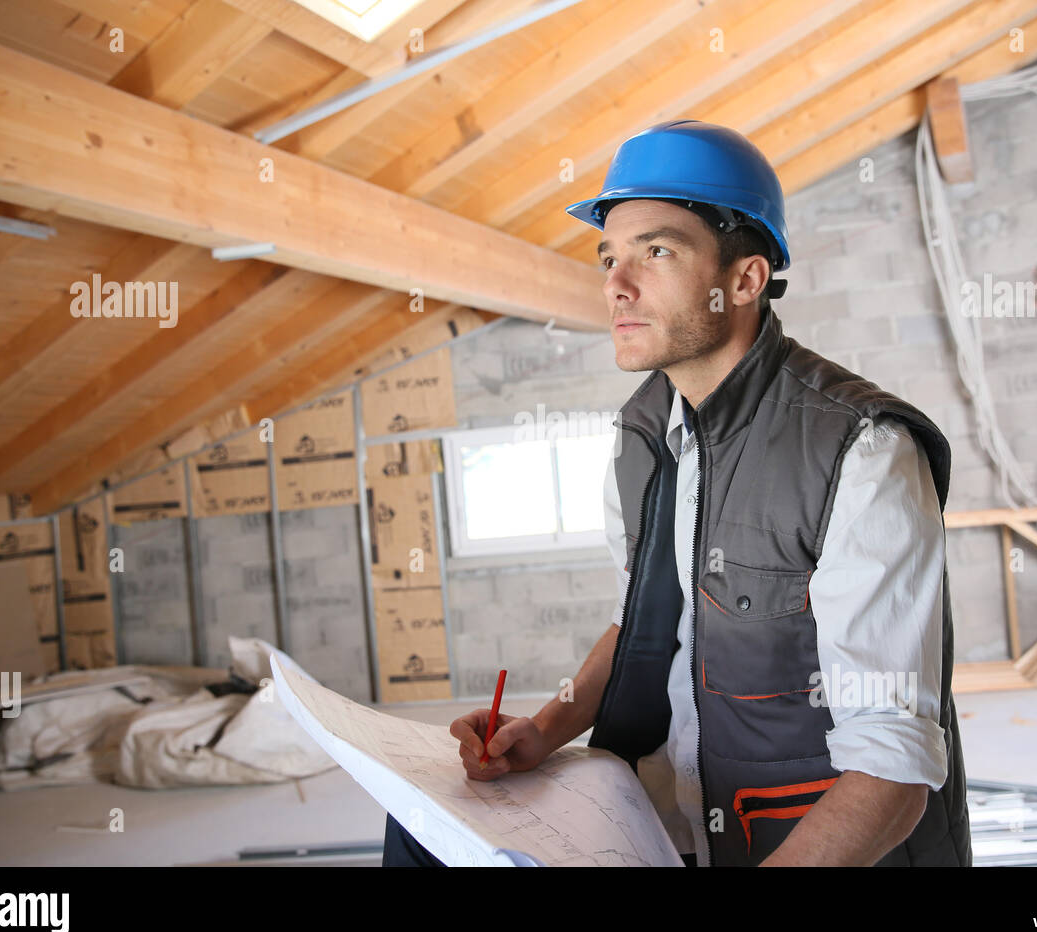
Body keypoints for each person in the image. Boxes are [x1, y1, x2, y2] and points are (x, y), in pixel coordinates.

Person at [383, 119, 970, 866]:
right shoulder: (645, 433)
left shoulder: (861, 450)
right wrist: (544, 728)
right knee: (420, 832)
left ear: (745, 280)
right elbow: (645, 626)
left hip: (795, 842)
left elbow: (892, 771)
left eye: (656, 251)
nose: (615, 285)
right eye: (609, 257)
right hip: (673, 822)